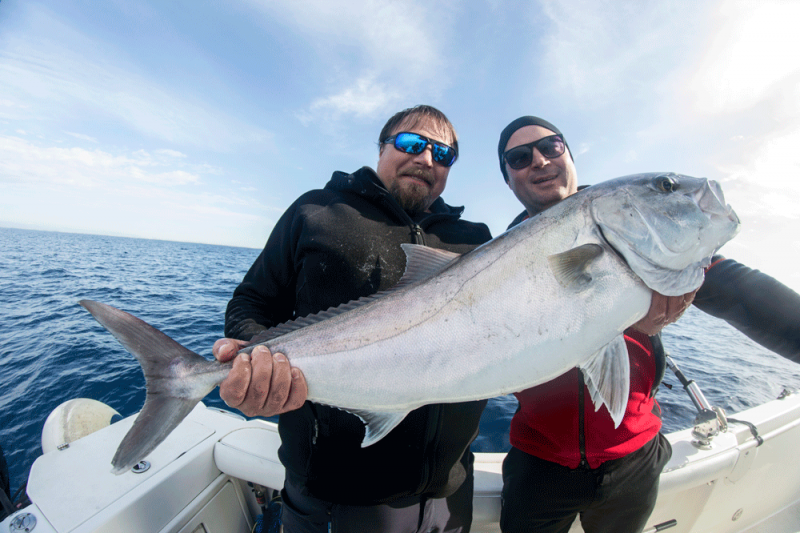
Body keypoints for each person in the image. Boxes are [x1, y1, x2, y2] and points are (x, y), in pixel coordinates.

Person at [496, 115, 800, 533]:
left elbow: (740, 291)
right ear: (508, 178)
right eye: (519, 156)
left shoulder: (635, 225)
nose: (539, 160)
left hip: (634, 460)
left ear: (568, 154)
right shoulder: (490, 263)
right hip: (538, 463)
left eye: (551, 147)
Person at [213, 105, 493, 533]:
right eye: (411, 143)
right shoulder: (317, 211)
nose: (426, 159)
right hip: (333, 496)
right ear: (381, 148)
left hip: (449, 495)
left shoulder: (473, 239)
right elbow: (251, 303)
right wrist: (260, 366)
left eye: (444, 154)